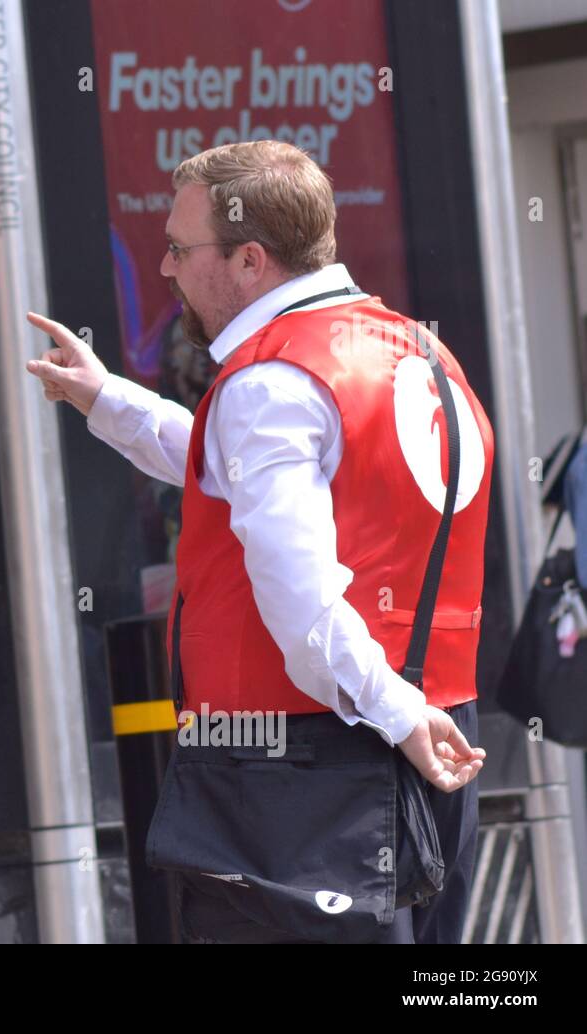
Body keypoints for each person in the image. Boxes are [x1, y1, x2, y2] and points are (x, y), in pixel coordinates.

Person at [25, 140, 491, 944]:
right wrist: (106, 399)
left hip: (309, 765)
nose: (166, 270)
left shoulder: (273, 381)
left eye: (178, 248)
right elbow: (241, 463)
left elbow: (301, 602)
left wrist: (397, 716)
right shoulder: (420, 352)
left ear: (248, 259)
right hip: (436, 738)